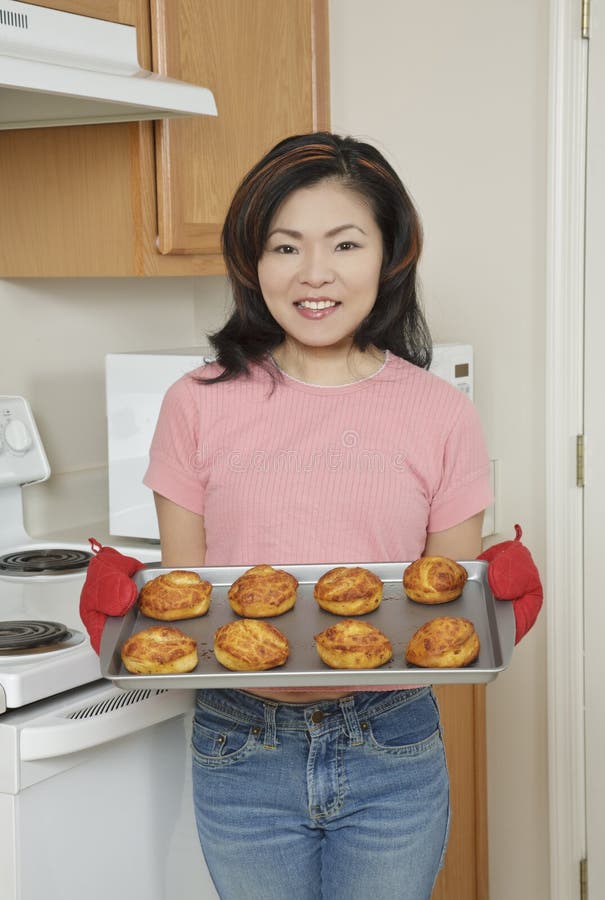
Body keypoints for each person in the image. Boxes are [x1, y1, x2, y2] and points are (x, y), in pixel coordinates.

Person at [80, 131, 542, 900]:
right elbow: (189, 596)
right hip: (238, 743)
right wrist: (131, 618)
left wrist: (496, 606)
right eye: (285, 247)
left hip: (390, 742)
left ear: (390, 256)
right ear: (251, 262)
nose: (314, 274)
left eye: (345, 244)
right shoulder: (194, 405)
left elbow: (442, 601)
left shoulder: (439, 413)